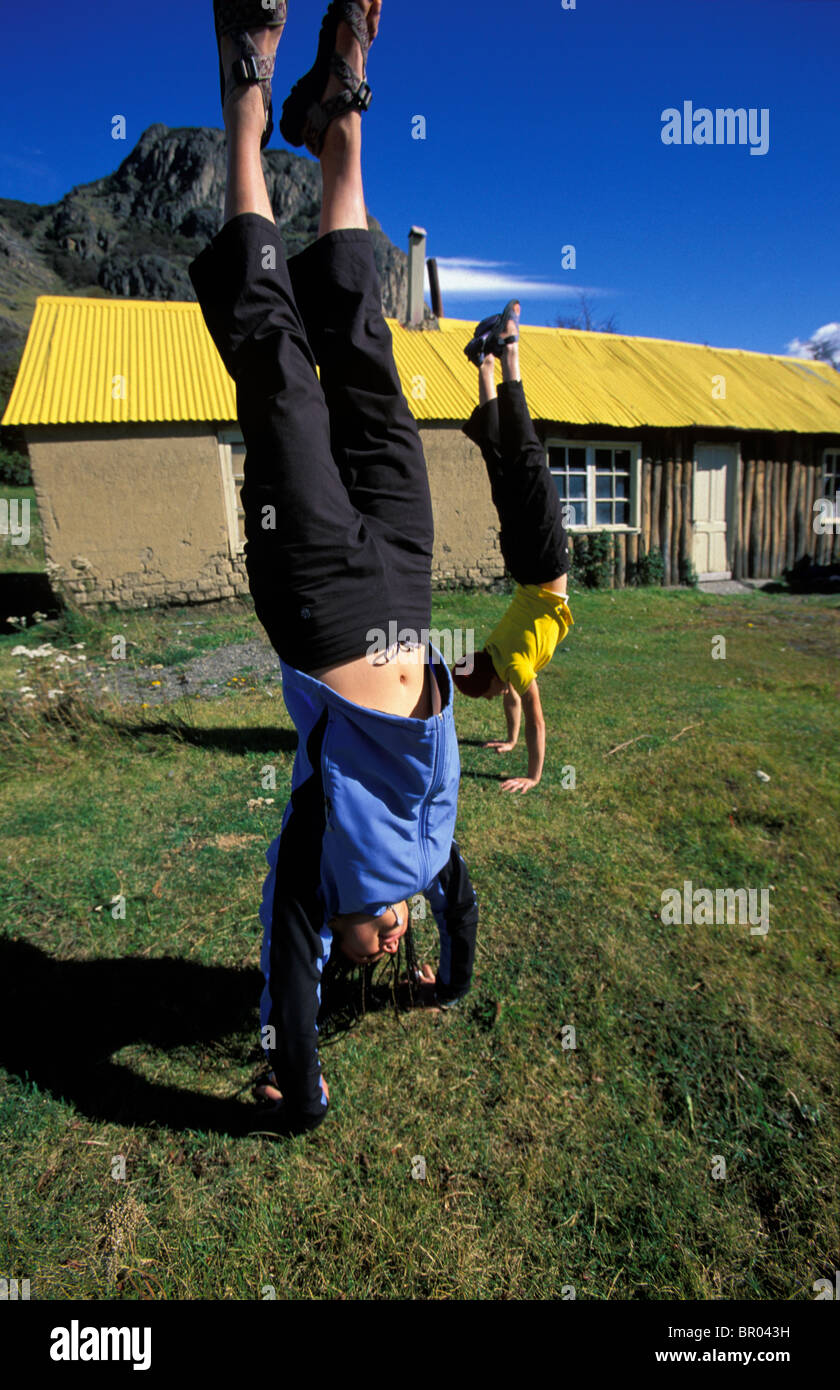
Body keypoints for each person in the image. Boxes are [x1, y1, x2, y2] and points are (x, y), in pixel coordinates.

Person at [189, 0, 478, 1134]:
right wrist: (444, 976)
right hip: (405, 582)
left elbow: (291, 976)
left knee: (279, 371)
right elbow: (458, 907)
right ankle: (344, 94)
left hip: (314, 594)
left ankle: (248, 96)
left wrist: (296, 1084)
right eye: (392, 944)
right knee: (367, 355)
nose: (389, 932)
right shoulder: (432, 858)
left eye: (374, 943)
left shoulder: (317, 860)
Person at [452, 302, 574, 794]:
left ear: (495, 678)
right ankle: (484, 364)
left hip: (543, 560)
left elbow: (537, 719)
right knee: (501, 463)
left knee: (523, 455)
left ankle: (509, 352)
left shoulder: (515, 667)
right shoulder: (497, 652)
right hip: (521, 561)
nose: (499, 696)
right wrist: (507, 740)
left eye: (491, 693)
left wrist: (533, 774)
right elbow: (513, 703)